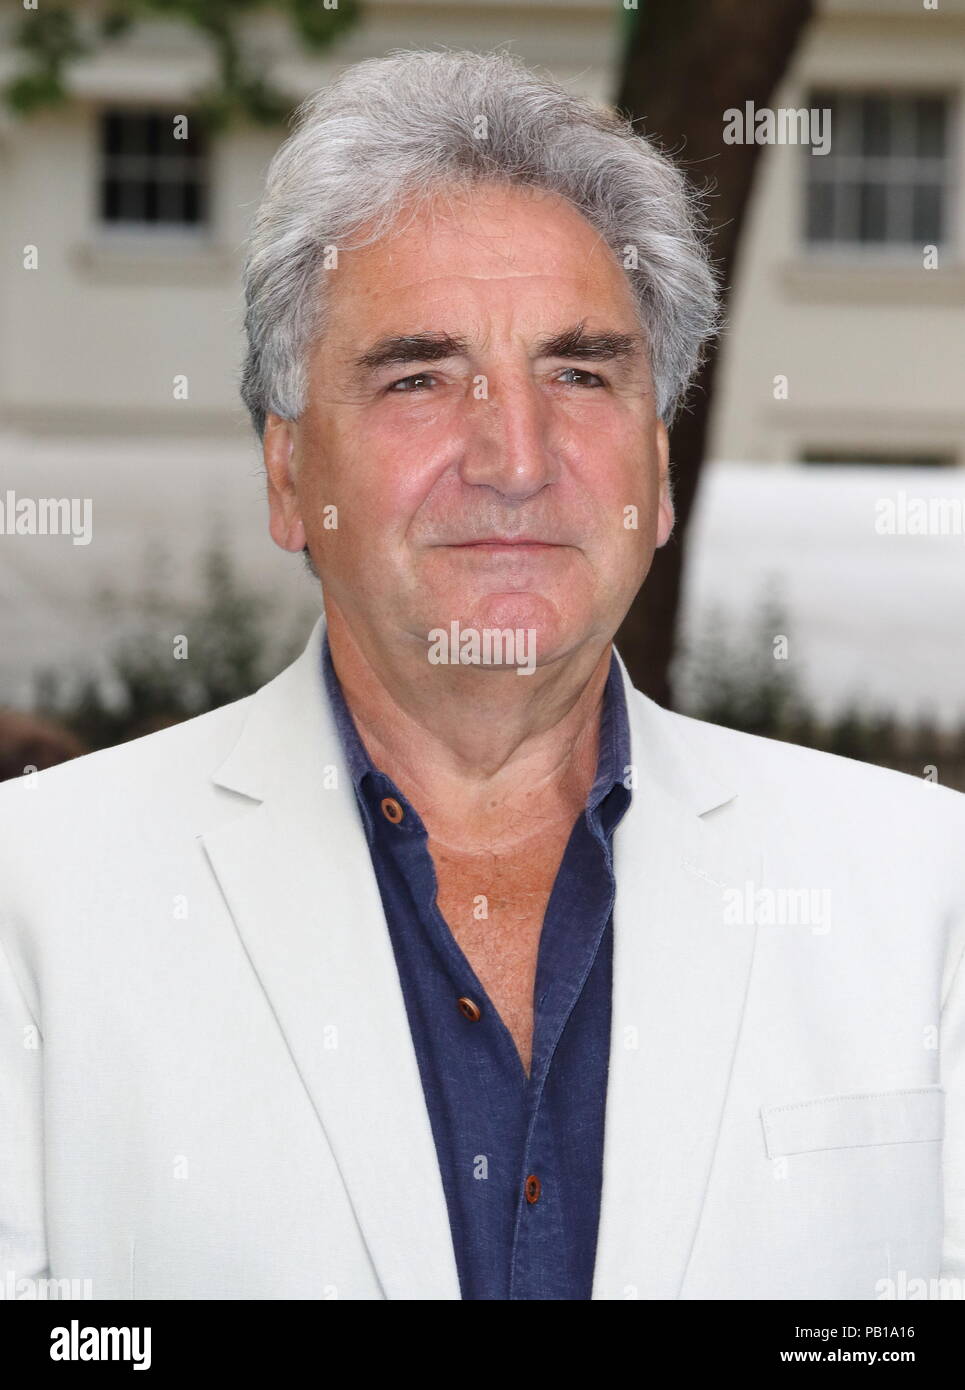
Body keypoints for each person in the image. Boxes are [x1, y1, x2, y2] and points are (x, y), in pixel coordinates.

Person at [1, 50, 962, 1302]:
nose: (513, 455)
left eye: (578, 372)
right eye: (418, 375)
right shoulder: (34, 898)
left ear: (658, 471)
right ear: (288, 475)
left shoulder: (923, 886)